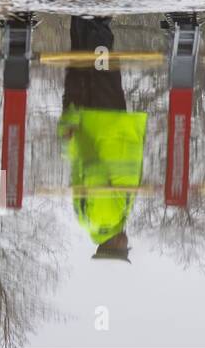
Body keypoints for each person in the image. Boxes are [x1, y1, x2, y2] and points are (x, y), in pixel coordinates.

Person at [57, 15, 148, 262]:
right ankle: (83, 17)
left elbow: (94, 169)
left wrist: (79, 135)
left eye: (124, 248)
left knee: (101, 65)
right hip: (94, 122)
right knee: (81, 63)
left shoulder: (105, 219)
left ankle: (98, 19)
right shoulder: (93, 221)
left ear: (115, 245)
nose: (127, 243)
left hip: (101, 124)